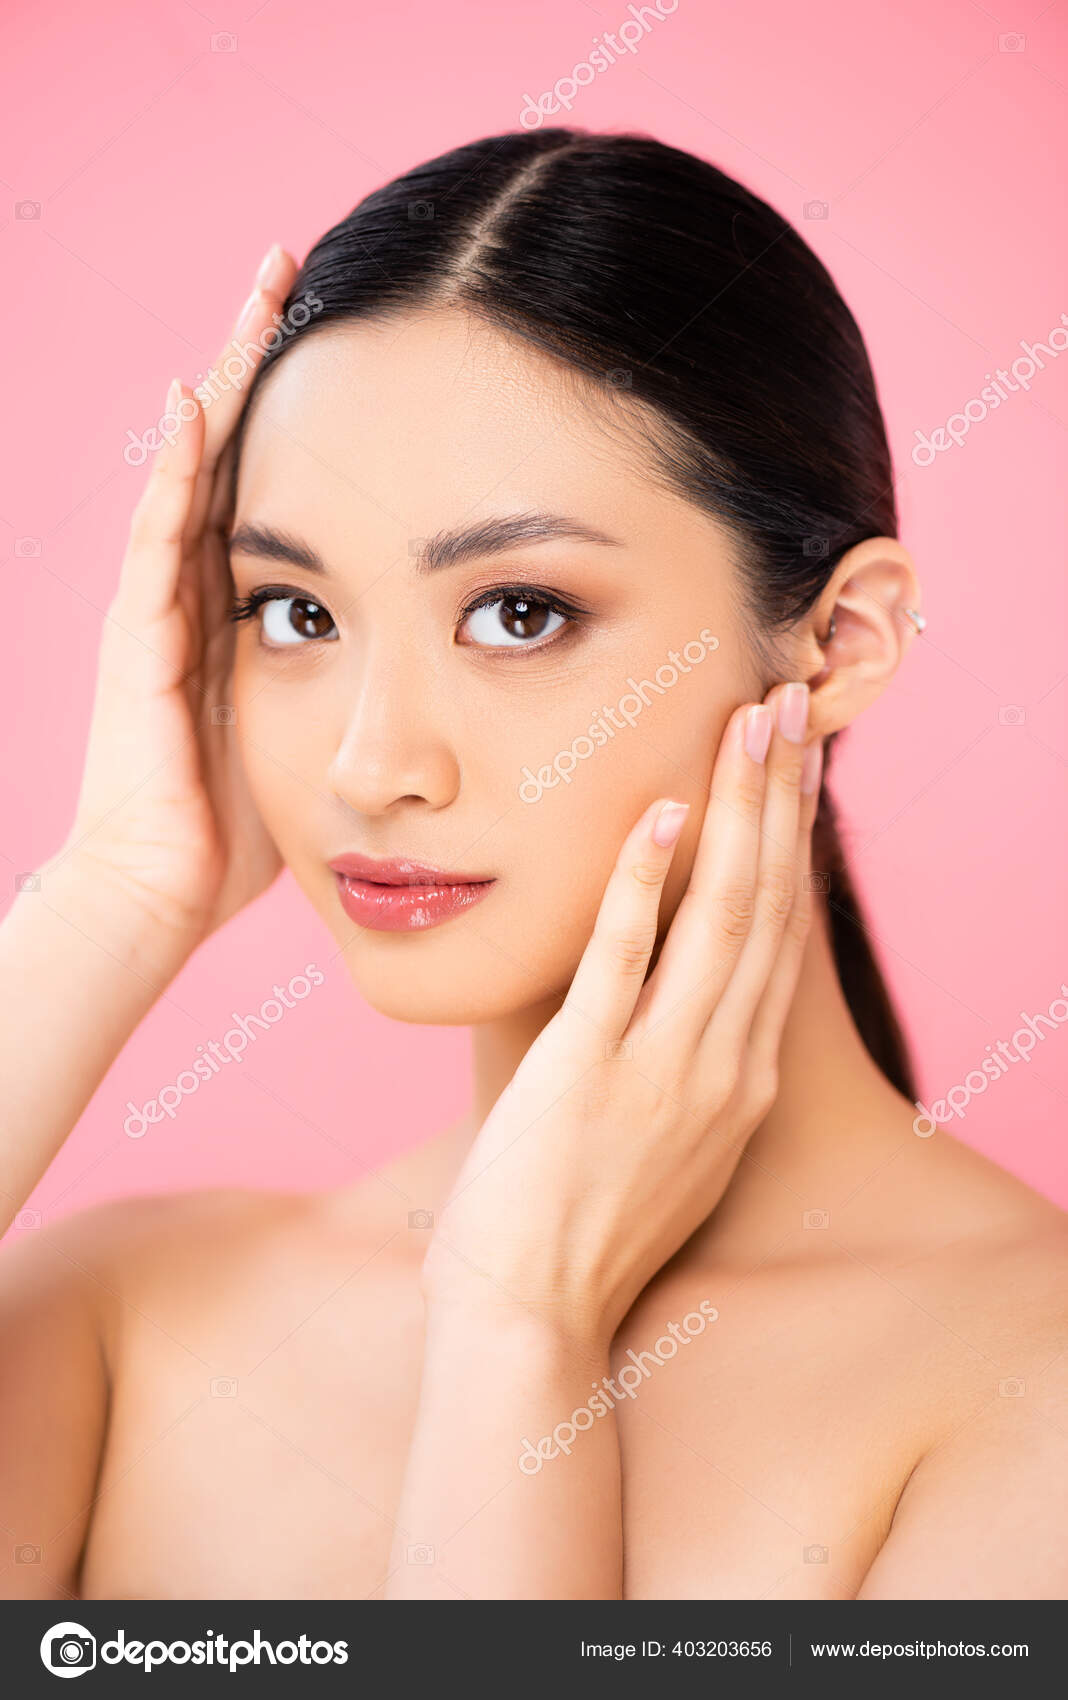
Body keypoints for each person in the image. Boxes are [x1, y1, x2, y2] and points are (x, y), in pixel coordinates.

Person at [1, 129, 1064, 1603]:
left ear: (836, 644)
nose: (370, 762)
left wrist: (519, 1328)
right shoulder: (115, 1324)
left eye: (517, 612)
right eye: (296, 612)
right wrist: (114, 890)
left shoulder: (1028, 1383)